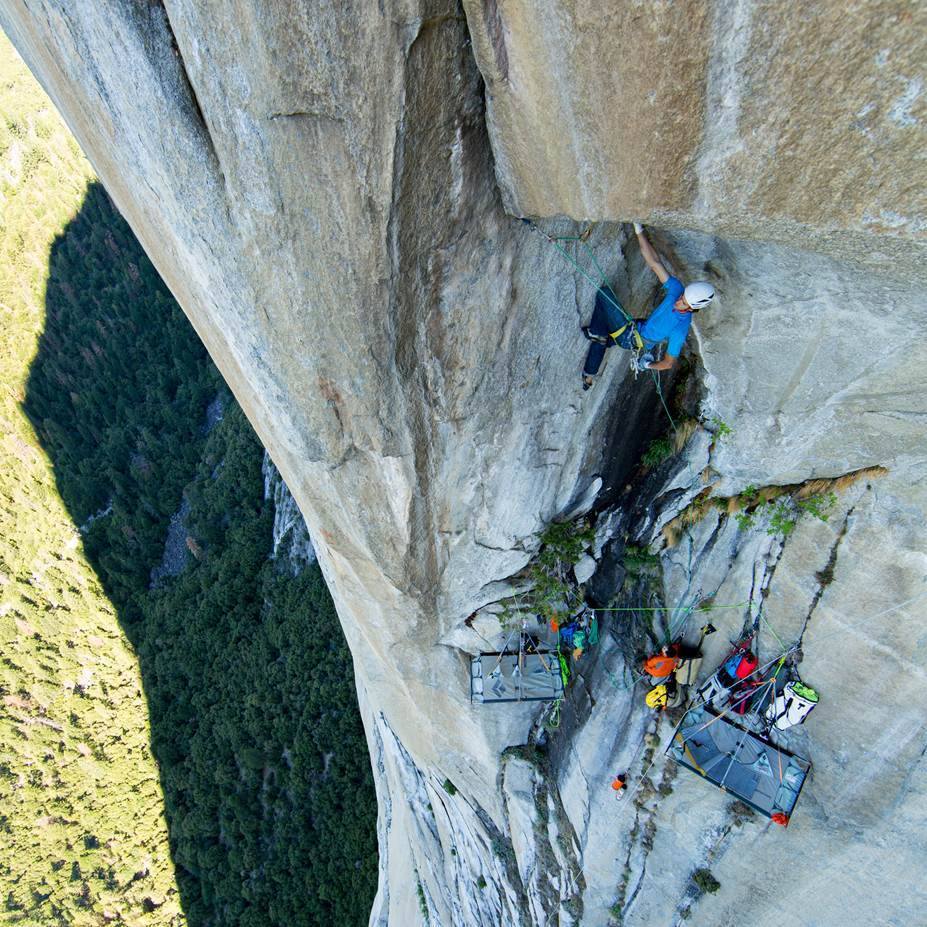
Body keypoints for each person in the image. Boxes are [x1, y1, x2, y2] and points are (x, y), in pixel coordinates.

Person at [580, 223, 715, 388]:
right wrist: (639, 231)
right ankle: (590, 372)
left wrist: (647, 365)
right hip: (638, 327)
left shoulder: (679, 329)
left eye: (684, 303)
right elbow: (655, 263)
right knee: (609, 338)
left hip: (631, 338)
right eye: (682, 296)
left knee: (604, 295)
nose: (679, 300)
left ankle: (597, 336)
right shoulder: (676, 289)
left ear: (692, 309)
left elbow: (668, 363)